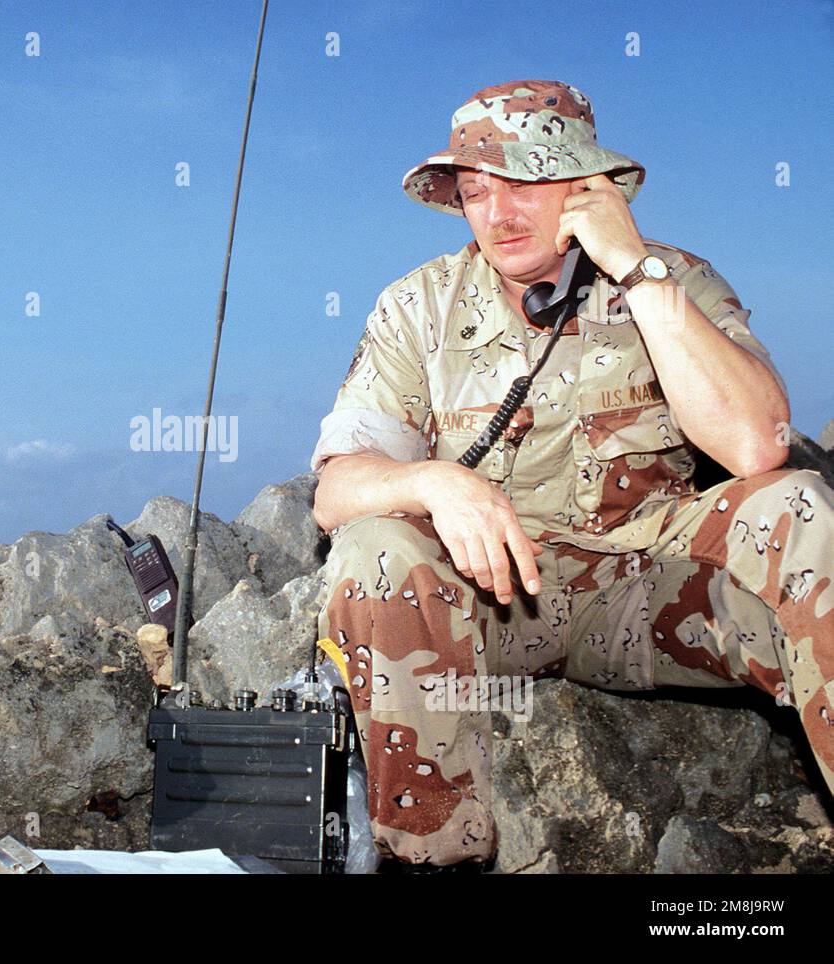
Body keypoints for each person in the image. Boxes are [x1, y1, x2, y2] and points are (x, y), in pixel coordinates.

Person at [310, 79, 833, 868]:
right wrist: (435, 483)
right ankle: (432, 862)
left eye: (528, 183)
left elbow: (760, 444)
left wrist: (633, 268)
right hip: (497, 602)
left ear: (588, 186)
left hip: (657, 588)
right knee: (375, 546)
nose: (501, 214)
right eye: (479, 190)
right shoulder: (416, 307)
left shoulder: (675, 279)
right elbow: (336, 489)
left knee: (800, 506)